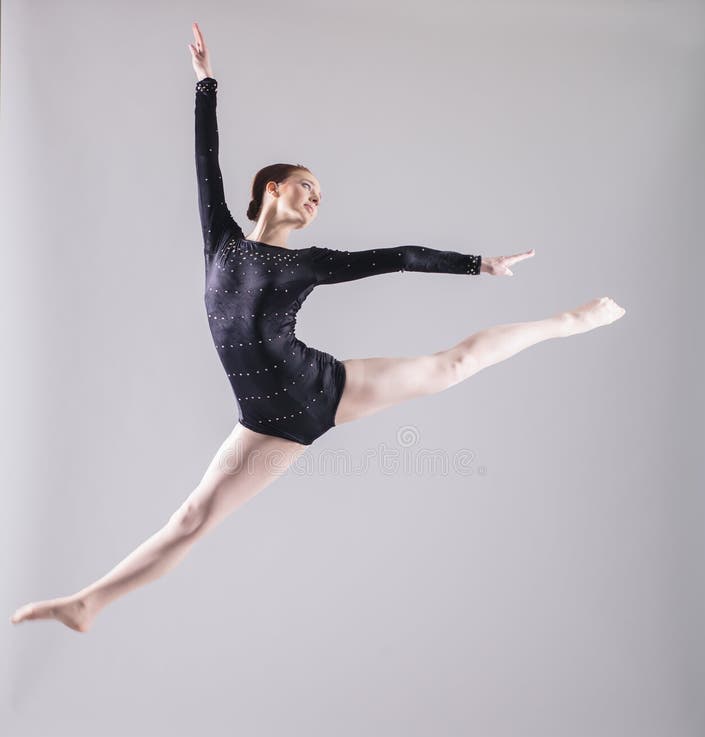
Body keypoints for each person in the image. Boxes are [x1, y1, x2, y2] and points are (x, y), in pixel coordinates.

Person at [9, 22, 625, 632]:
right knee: (192, 519)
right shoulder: (220, 242)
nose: (316, 199)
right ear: (272, 188)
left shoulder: (307, 264)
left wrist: (479, 265)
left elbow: (398, 256)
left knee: (453, 365)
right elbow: (205, 160)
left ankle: (572, 321)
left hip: (318, 390)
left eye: (321, 196)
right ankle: (86, 603)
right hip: (265, 425)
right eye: (307, 187)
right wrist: (205, 83)